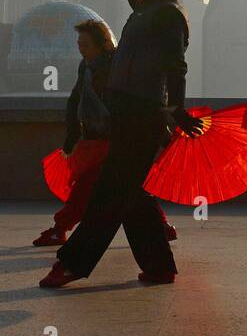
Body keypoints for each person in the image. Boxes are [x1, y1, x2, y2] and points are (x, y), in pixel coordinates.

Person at [40, 0, 202, 288]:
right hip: (126, 112)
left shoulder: (169, 14)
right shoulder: (145, 10)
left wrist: (178, 107)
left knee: (109, 191)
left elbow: (176, 66)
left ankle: (72, 262)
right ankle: (159, 267)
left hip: (144, 114)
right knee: (131, 193)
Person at [33, 18, 176, 247]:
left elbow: (139, 102)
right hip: (94, 140)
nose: (81, 49)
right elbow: (76, 99)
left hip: (113, 141)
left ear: (101, 45)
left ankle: (60, 229)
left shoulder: (115, 68)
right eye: (79, 44)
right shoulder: (86, 66)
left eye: (85, 45)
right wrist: (72, 134)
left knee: (86, 188)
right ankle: (161, 227)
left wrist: (162, 132)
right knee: (129, 188)